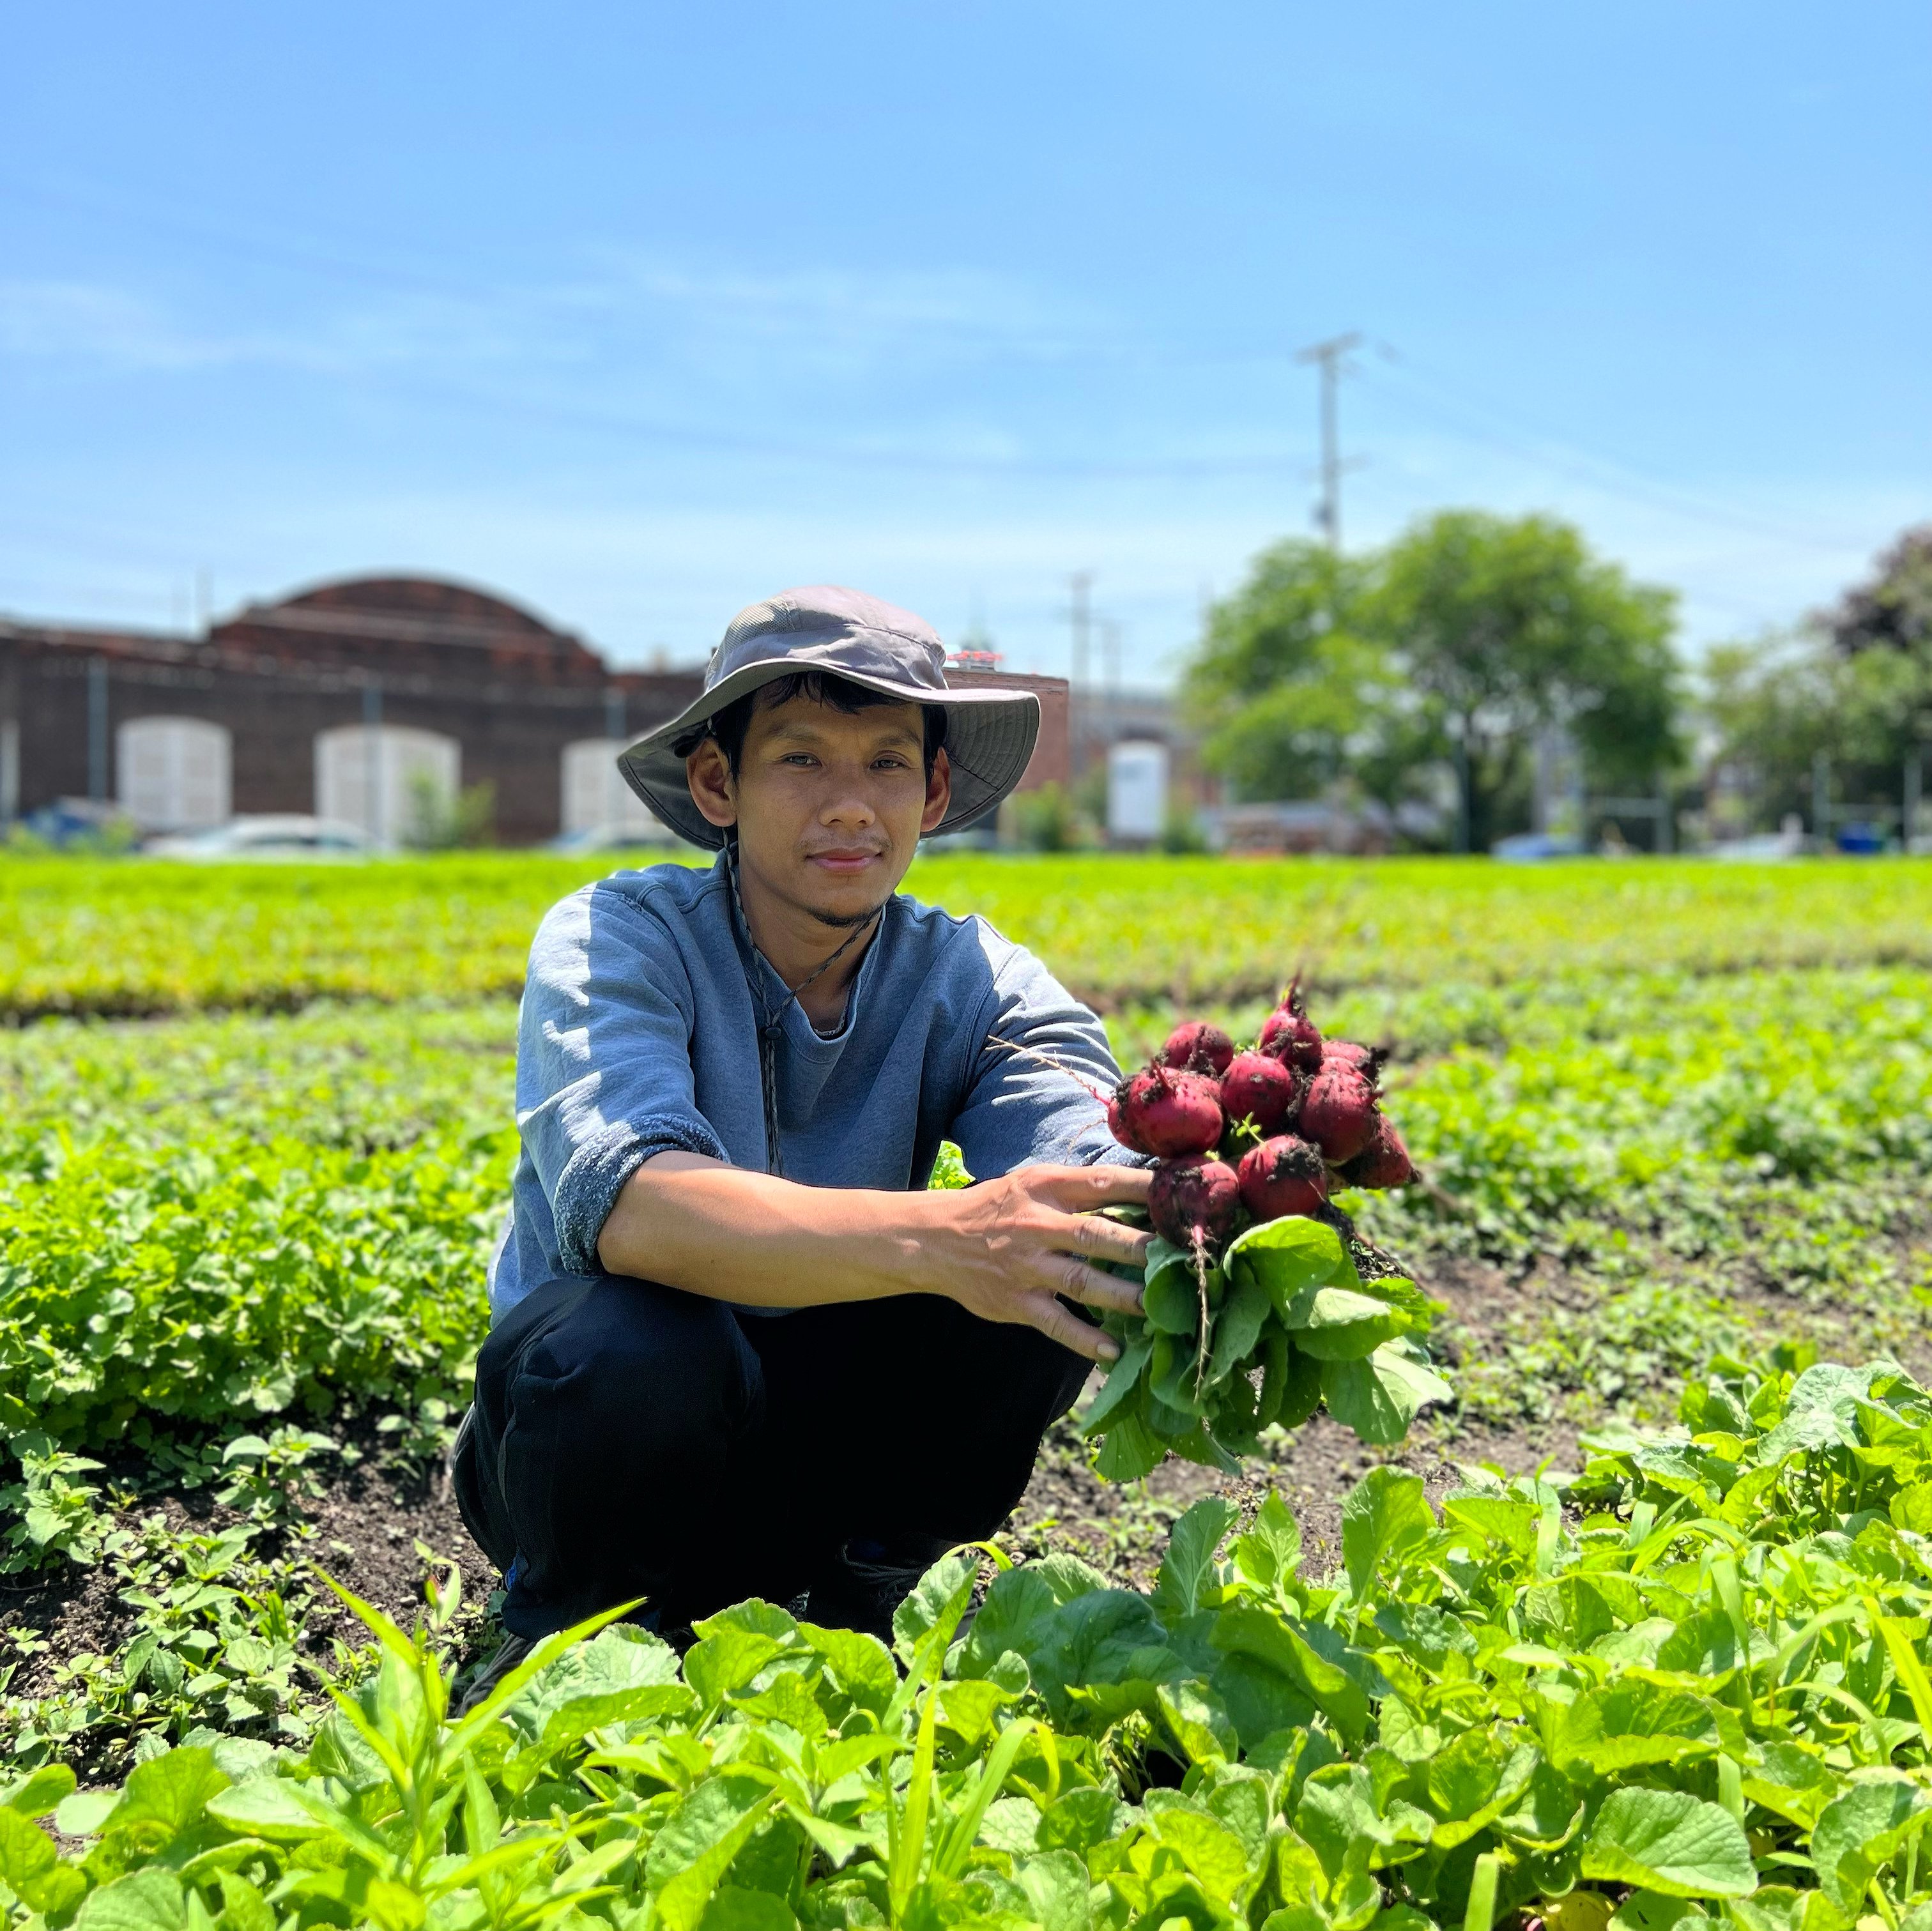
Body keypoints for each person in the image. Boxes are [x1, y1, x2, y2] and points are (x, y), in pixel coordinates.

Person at [453, 585, 1149, 1697]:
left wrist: (1201, 1201)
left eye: (884, 763)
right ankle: (569, 1640)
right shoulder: (619, 937)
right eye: (802, 760)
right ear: (718, 783)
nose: (849, 808)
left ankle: (868, 1592)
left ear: (931, 791)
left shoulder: (974, 979)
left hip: (825, 1463)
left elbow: (1088, 1149)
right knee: (632, 1338)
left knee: (1050, 1244)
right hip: (605, 1457)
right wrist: (945, 1236)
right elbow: (638, 1208)